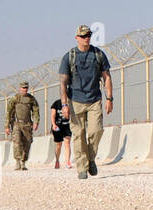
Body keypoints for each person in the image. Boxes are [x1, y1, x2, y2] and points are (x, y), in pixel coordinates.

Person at [58, 24, 114, 181]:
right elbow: (63, 82)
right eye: (83, 36)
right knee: (78, 135)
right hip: (75, 101)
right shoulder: (69, 57)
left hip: (94, 99)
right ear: (77, 38)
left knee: (96, 131)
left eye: (89, 35)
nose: (87, 38)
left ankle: (90, 158)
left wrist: (109, 98)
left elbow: (107, 77)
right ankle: (82, 168)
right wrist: (64, 105)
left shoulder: (98, 54)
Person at [5, 81, 40, 171]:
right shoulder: (15, 98)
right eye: (23, 88)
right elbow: (9, 112)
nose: (25, 89)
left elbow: (35, 111)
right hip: (17, 124)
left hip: (27, 124)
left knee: (27, 143)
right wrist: (7, 126)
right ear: (20, 88)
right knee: (17, 142)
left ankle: (23, 162)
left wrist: (36, 122)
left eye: (26, 88)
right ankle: (17, 161)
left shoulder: (31, 99)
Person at [48, 95, 71, 170]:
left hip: (67, 125)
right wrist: (54, 124)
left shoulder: (70, 103)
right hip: (57, 126)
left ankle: (67, 162)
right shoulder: (56, 103)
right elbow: (53, 115)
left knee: (67, 142)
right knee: (58, 144)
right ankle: (57, 160)